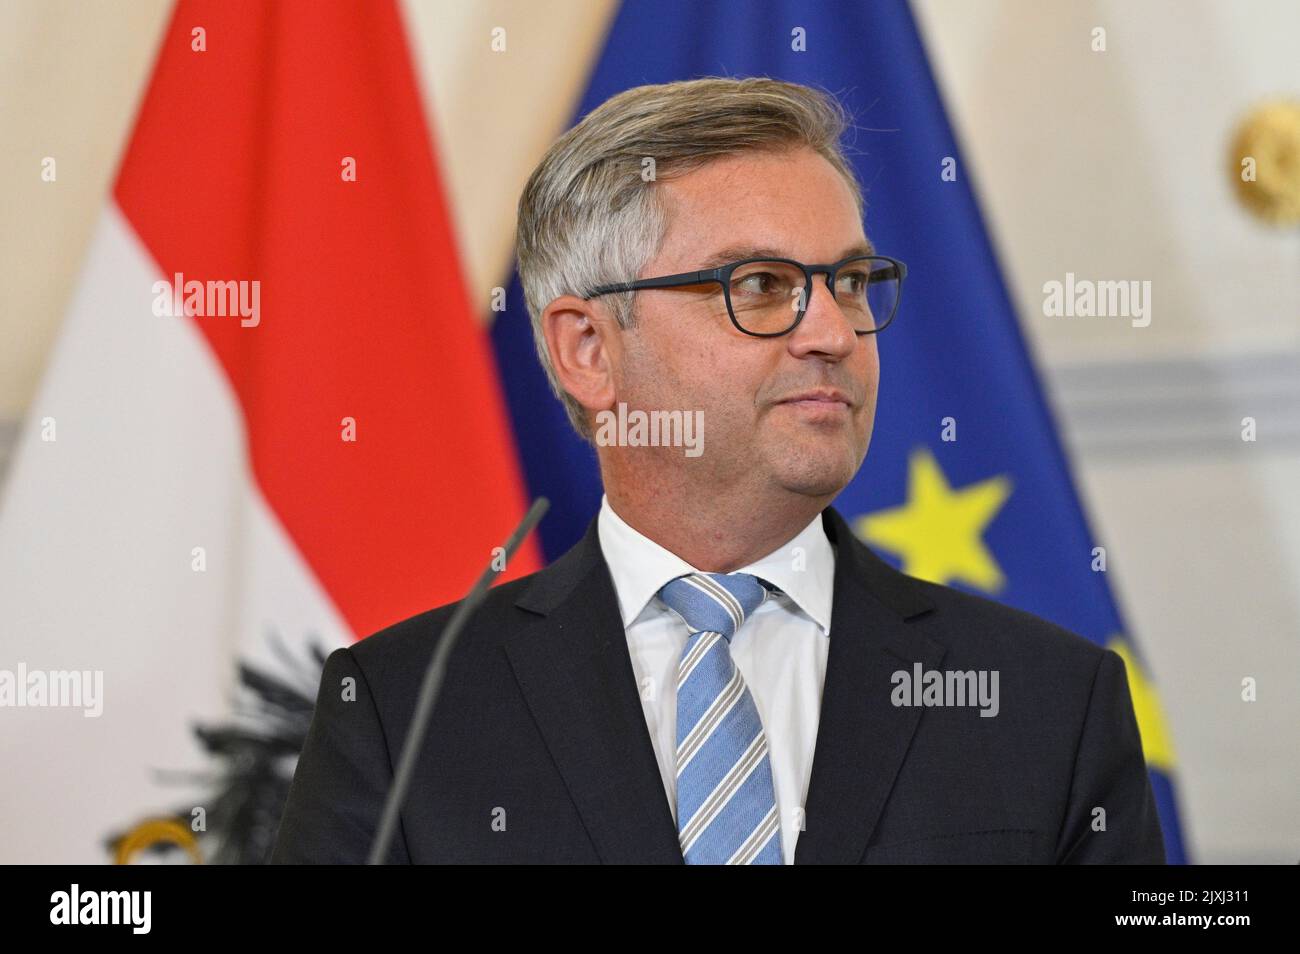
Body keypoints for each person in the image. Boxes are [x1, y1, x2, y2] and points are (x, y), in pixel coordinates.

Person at [272, 76, 1166, 864]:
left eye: (851, 282)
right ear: (588, 349)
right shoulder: (400, 711)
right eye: (762, 286)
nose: (833, 333)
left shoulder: (1049, 699)